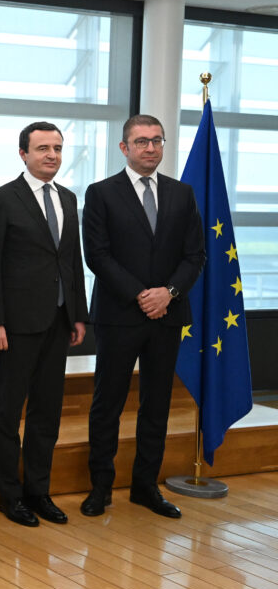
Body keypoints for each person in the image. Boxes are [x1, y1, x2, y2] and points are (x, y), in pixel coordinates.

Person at [81, 114, 205, 519]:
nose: (150, 148)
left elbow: (195, 256)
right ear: (124, 148)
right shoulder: (101, 193)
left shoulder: (182, 194)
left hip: (167, 315)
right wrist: (141, 294)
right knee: (108, 404)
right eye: (141, 142)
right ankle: (100, 487)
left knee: (157, 405)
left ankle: (145, 486)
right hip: (119, 315)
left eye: (157, 141)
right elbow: (97, 255)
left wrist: (167, 294)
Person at [0, 122, 89, 527]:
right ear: (23, 154)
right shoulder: (2, 200)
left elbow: (71, 261)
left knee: (47, 411)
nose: (52, 155)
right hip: (16, 324)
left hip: (59, 321)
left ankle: (38, 492)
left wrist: (77, 313)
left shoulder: (68, 198)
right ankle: (9, 496)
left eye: (58, 148)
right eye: (43, 148)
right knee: (9, 413)